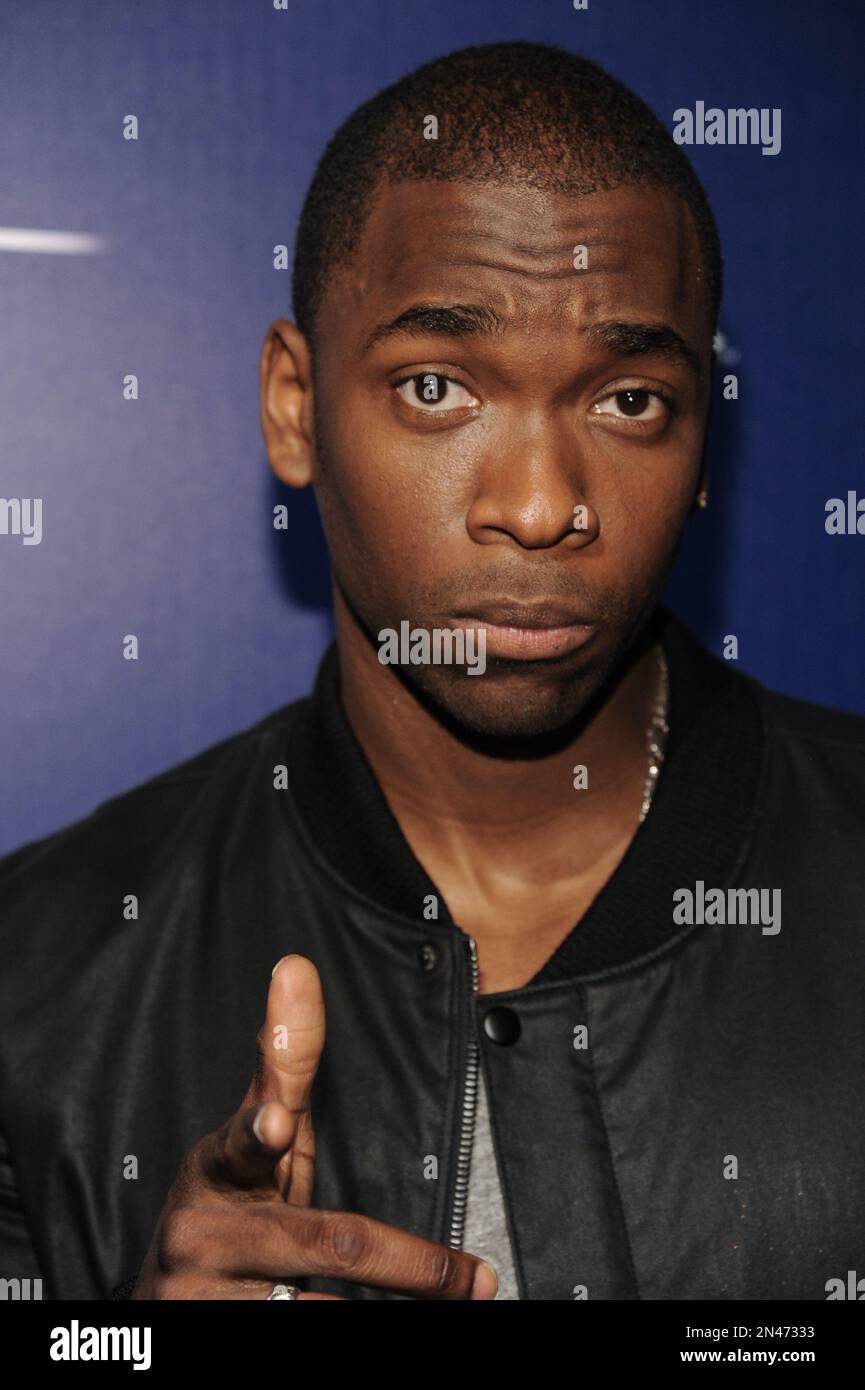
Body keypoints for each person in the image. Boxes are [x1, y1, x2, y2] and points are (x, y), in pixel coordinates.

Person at [2, 40, 864, 1304]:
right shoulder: (34, 985)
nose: (538, 504)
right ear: (294, 408)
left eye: (627, 400)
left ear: (698, 440)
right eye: (436, 386)